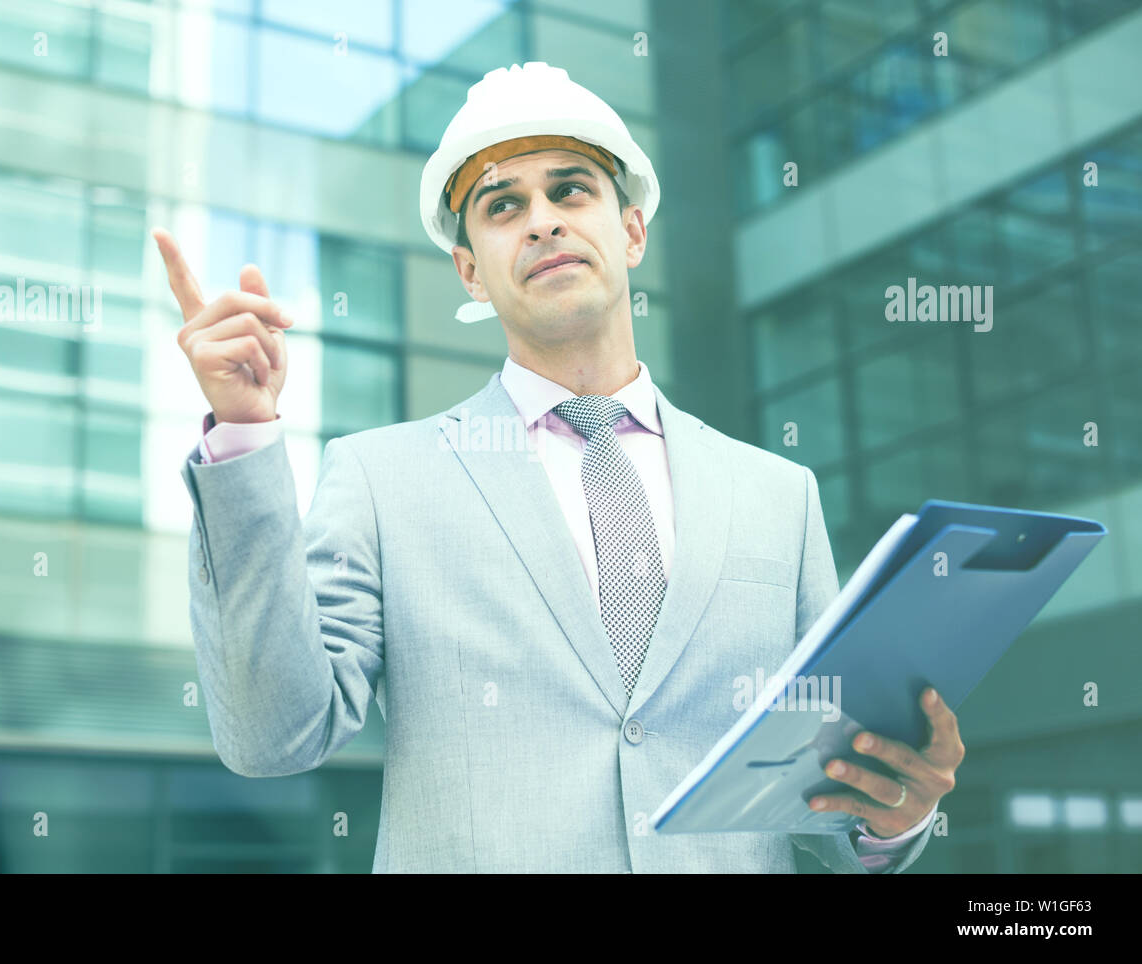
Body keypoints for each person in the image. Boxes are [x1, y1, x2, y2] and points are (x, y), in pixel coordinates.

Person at [155, 62, 963, 873]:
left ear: (633, 231)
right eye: (503, 206)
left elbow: (815, 816)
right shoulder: (379, 479)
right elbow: (273, 735)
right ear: (470, 269)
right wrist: (245, 433)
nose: (542, 221)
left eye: (571, 191)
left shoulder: (780, 496)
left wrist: (892, 815)